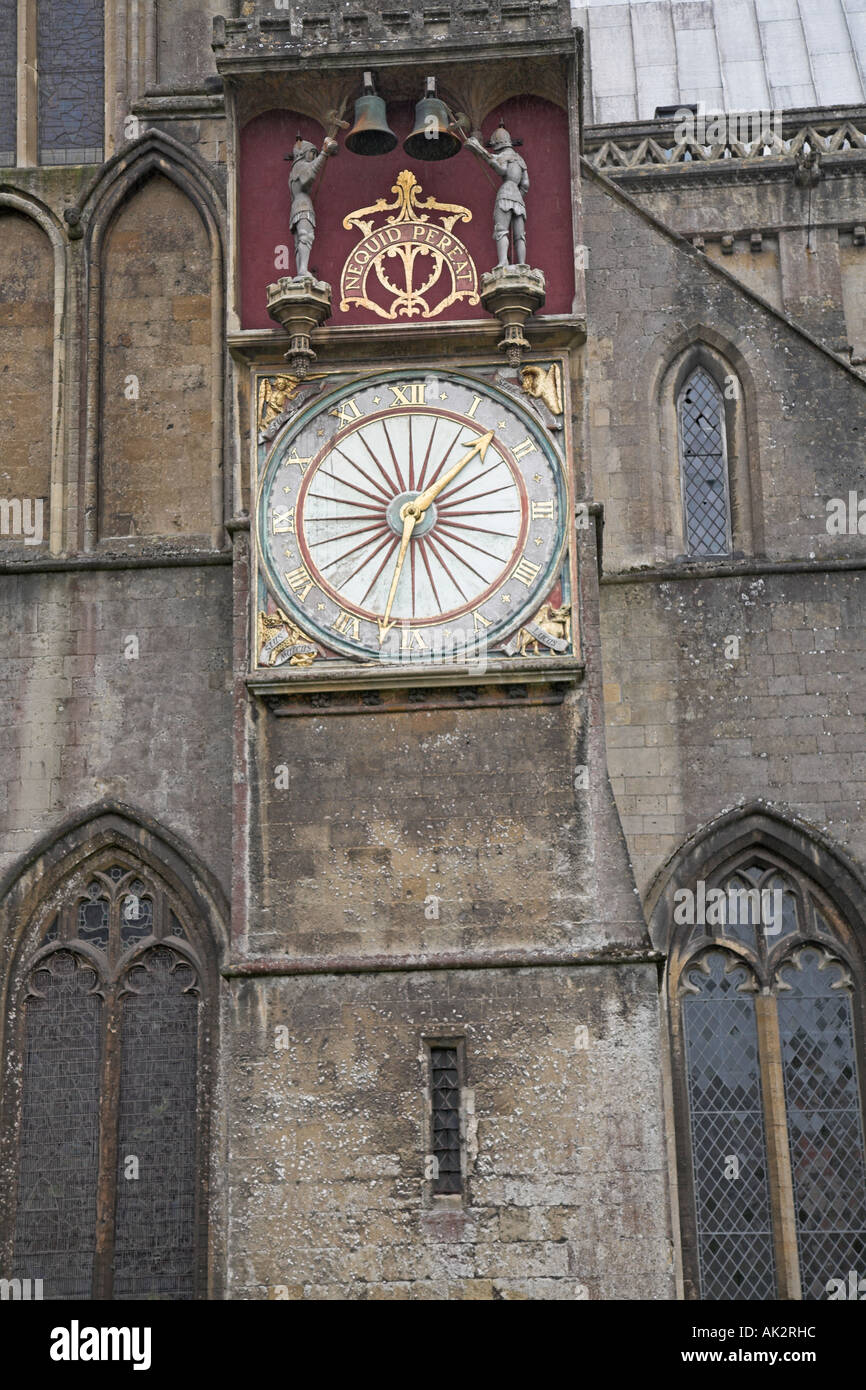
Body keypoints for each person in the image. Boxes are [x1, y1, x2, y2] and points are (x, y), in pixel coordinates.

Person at [465, 124, 529, 267]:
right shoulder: (520, 160)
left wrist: (481, 152)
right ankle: (522, 264)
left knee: (501, 230)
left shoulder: (503, 156)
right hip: (518, 198)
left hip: (505, 192)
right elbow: (525, 184)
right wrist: (517, 195)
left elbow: (501, 169)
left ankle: (502, 263)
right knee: (520, 236)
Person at [288, 135, 338, 278]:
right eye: (312, 153)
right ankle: (303, 270)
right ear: (304, 153)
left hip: (298, 205)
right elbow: (310, 175)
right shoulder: (300, 166)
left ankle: (301, 270)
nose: (313, 156)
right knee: (306, 236)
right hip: (303, 206)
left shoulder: (295, 169)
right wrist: (324, 153)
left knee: (301, 241)